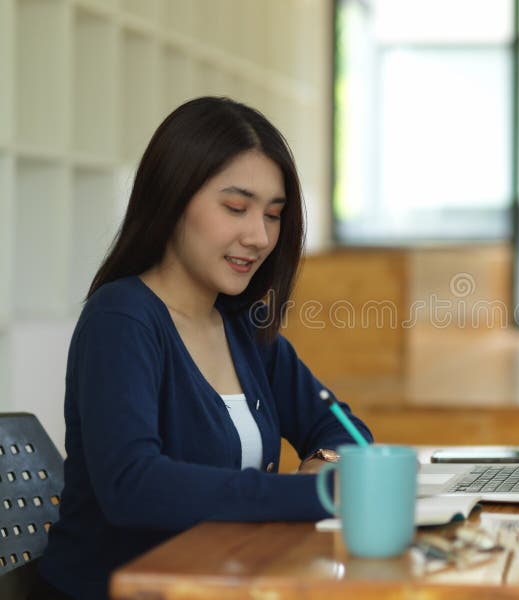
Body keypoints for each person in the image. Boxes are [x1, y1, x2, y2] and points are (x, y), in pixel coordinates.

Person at [33, 97, 373, 600]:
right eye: (235, 207)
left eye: (274, 215)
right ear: (173, 200)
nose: (258, 236)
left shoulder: (243, 330)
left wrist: (324, 461)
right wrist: (316, 494)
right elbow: (135, 486)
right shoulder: (121, 317)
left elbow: (346, 430)